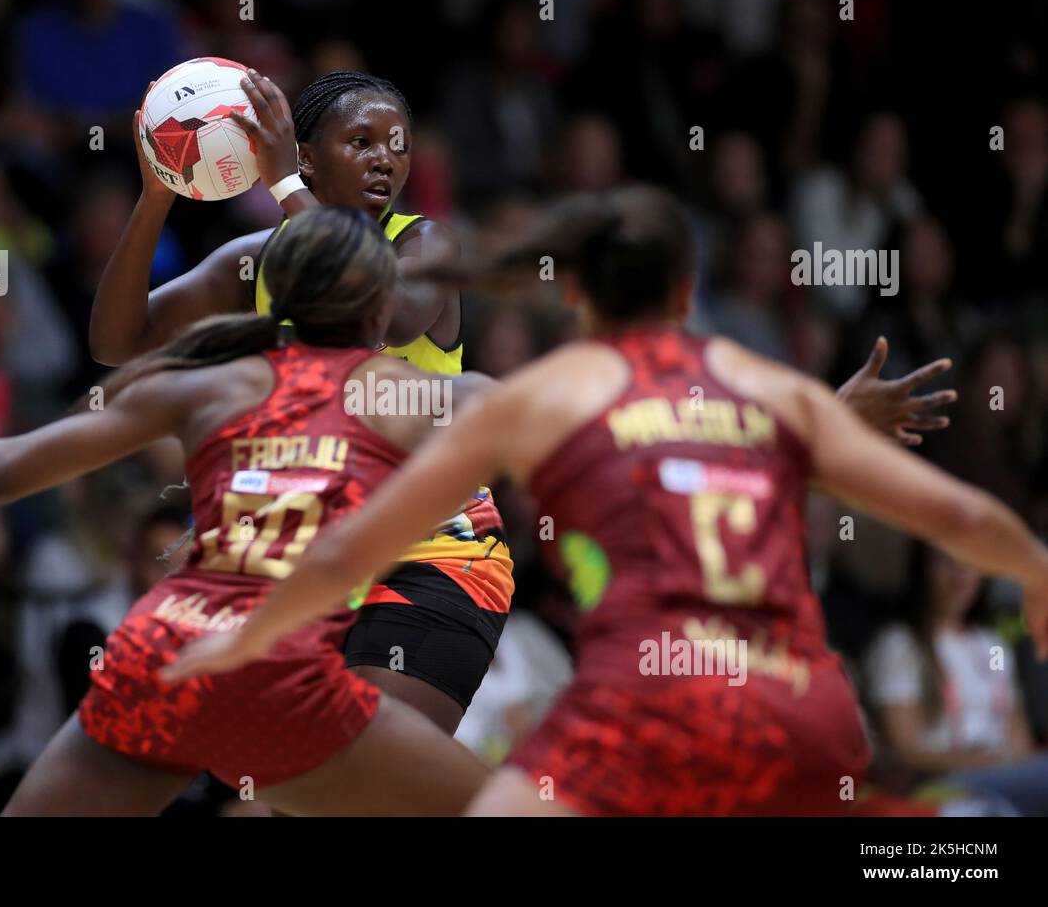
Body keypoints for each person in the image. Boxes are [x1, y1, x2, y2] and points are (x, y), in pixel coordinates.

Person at [165, 187, 1048, 817]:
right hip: (802, 709)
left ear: (579, 295)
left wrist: (240, 633)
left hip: (646, 701)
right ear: (687, 294)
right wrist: (1036, 569)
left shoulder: (542, 396)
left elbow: (348, 554)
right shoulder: (771, 393)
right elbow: (965, 521)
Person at [0, 206, 490, 816]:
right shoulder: (409, 394)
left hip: (158, 660)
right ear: (380, 307)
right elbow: (570, 415)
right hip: (275, 671)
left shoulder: (204, 382)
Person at [92, 69, 511, 733]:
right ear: (308, 155)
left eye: (397, 143)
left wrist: (285, 186)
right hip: (303, 551)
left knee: (373, 778)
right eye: (362, 141)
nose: (386, 158)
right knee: (286, 785)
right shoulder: (258, 260)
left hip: (434, 546)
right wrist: (156, 196)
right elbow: (117, 340)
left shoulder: (425, 242)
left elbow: (387, 314)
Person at [863, 543, 1048, 815]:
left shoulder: (993, 645)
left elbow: (1018, 735)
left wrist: (1009, 761)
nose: (960, 576)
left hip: (1006, 776)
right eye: (945, 563)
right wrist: (981, 761)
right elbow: (905, 749)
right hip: (945, 783)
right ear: (924, 569)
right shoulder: (900, 645)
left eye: (970, 563)